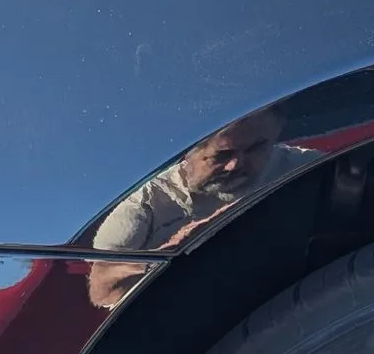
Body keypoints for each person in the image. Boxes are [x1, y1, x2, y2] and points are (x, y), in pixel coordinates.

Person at [88, 108, 302, 307]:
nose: (235, 165)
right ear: (186, 151)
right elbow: (101, 291)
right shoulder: (147, 201)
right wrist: (165, 258)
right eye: (222, 155)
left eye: (256, 147)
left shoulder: (299, 165)